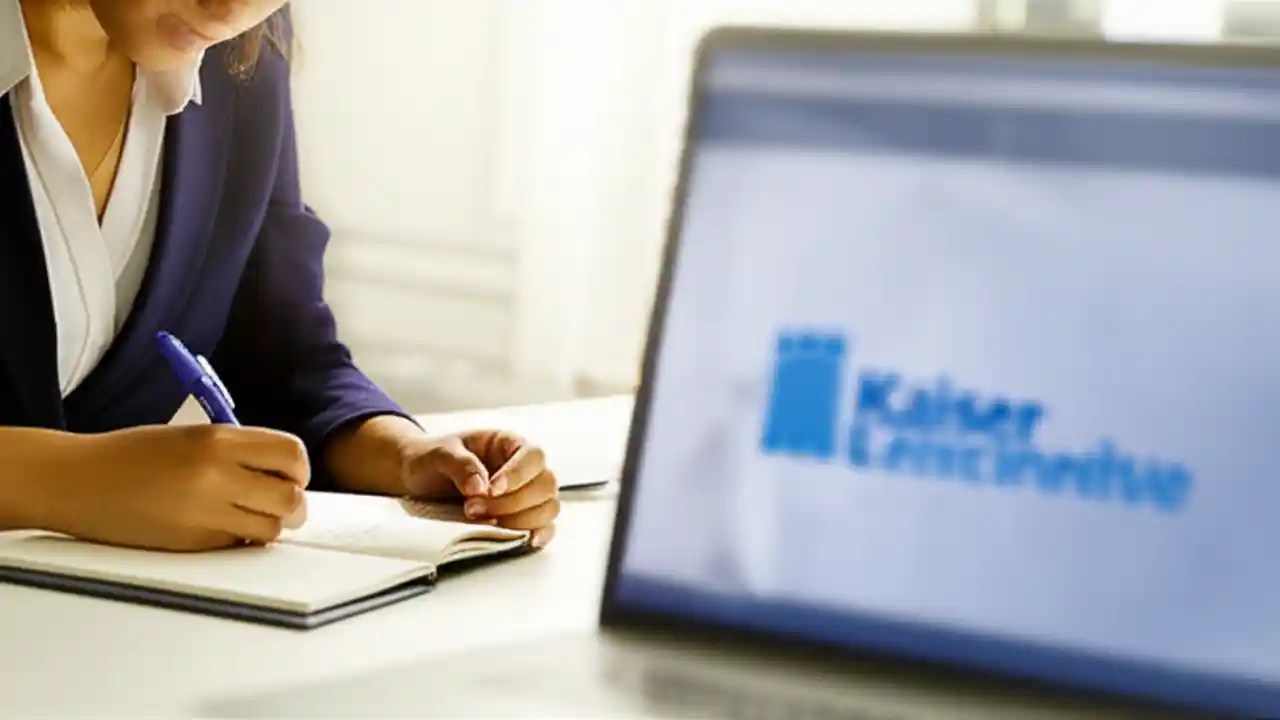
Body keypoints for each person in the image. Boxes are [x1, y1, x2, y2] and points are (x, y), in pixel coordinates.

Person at [0, 0, 560, 552]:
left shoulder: (237, 51)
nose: (229, 10)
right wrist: (71, 482)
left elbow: (279, 350)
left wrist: (406, 454)